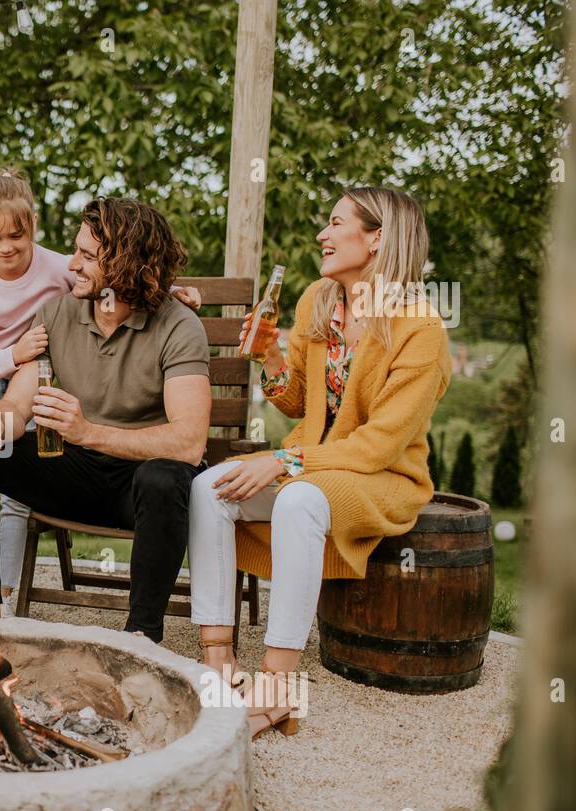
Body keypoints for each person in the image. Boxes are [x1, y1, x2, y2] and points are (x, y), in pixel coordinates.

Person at [188, 186, 451, 739]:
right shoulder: (318, 301)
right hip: (311, 463)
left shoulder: (420, 329)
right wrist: (270, 355)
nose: (321, 235)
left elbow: (379, 447)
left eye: (335, 223)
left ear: (377, 238)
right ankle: (218, 662)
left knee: (299, 500)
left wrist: (284, 461)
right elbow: (295, 403)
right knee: (209, 487)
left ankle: (278, 687)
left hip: (382, 478)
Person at [0, 169, 203, 615]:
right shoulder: (57, 312)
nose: (70, 264)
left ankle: (142, 631)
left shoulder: (179, 325)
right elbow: (17, 401)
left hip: (138, 487)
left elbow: (188, 444)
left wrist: (87, 431)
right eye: (75, 251)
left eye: (85, 255)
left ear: (125, 263)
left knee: (162, 478)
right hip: (73, 474)